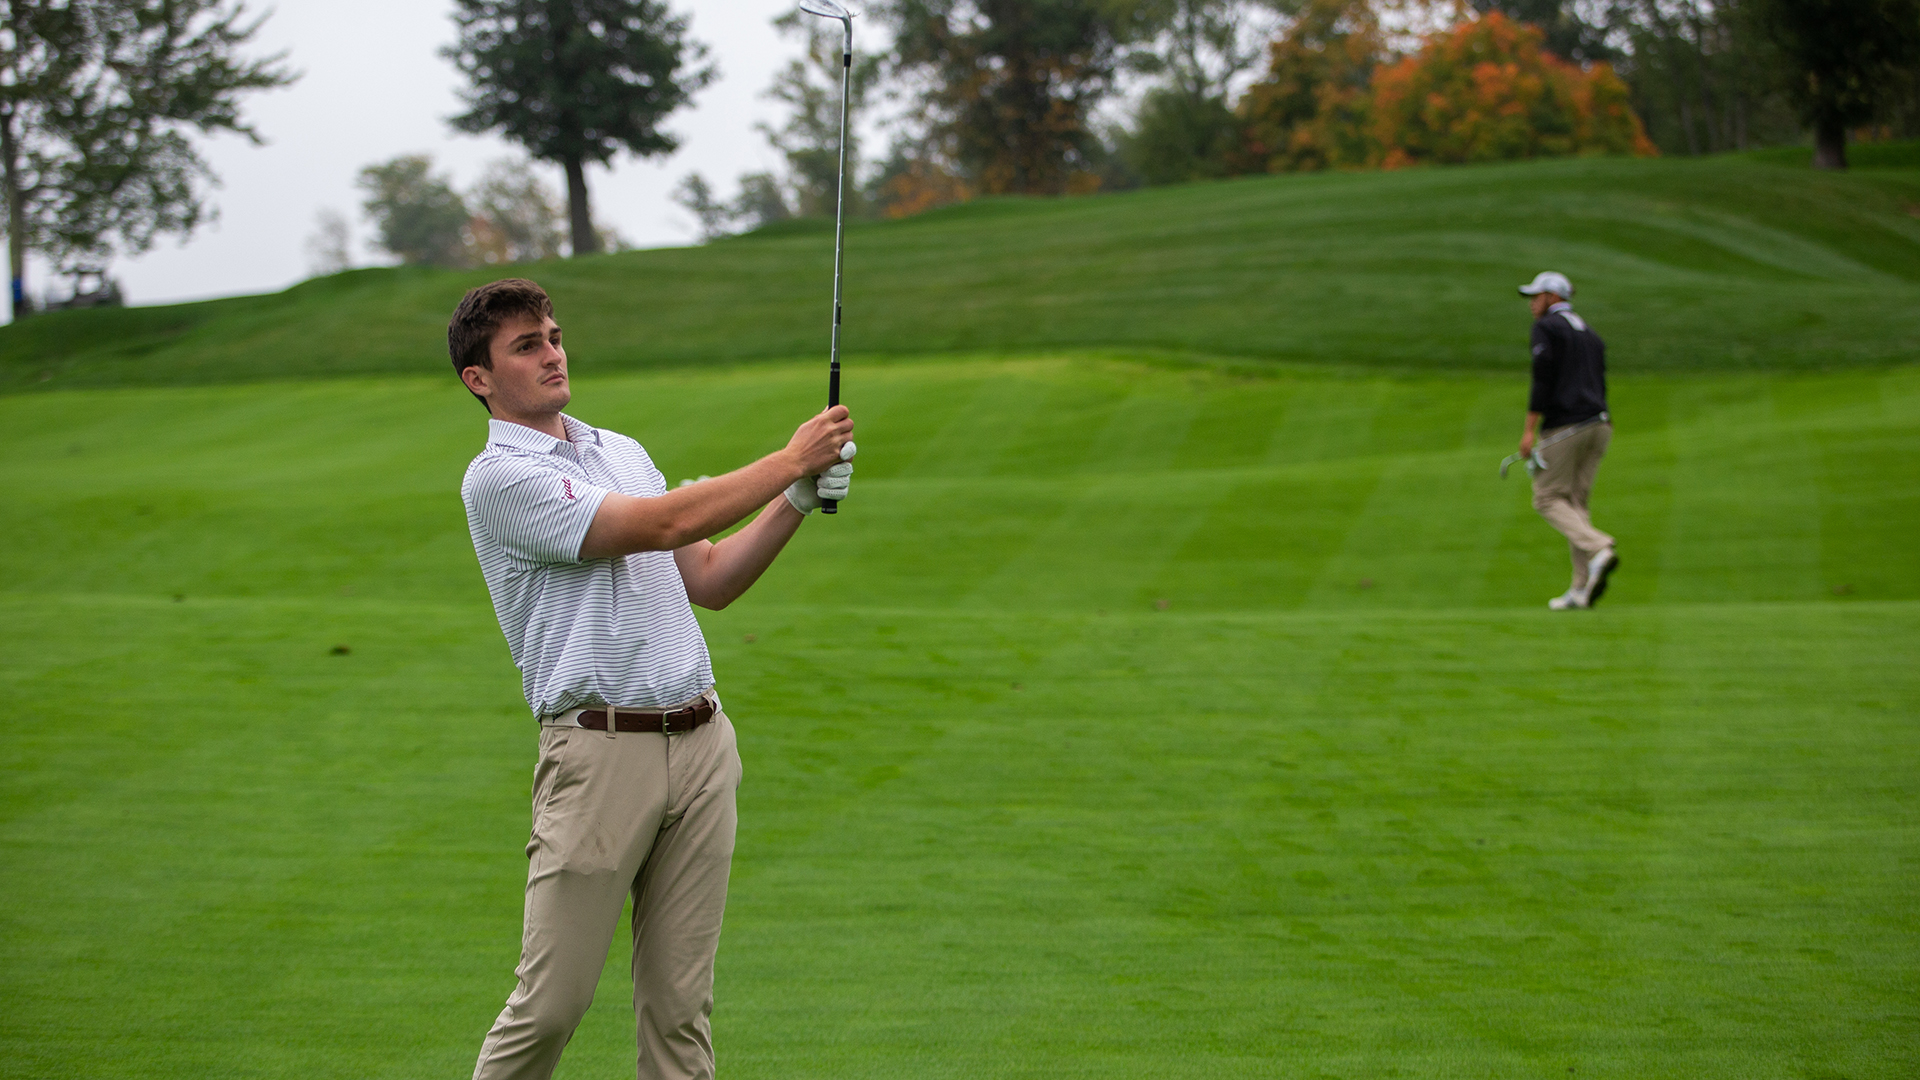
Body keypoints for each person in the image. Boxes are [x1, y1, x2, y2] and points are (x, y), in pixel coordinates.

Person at [448, 278, 855, 1080]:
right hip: (598, 755)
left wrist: (795, 500)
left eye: (554, 337)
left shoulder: (621, 452)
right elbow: (662, 523)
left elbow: (709, 577)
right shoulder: (498, 479)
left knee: (680, 1013)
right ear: (480, 378)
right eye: (526, 346)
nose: (552, 354)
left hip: (702, 744)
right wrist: (789, 461)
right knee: (550, 1006)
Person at [1516, 270, 1618, 610]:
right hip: (1600, 424)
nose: (1532, 304)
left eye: (1536, 296)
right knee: (1575, 504)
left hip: (1567, 426)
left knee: (1546, 498)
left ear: (1553, 297)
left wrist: (1529, 429)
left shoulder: (1547, 327)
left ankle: (1599, 547)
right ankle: (1580, 587)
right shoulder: (1589, 332)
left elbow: (1542, 378)